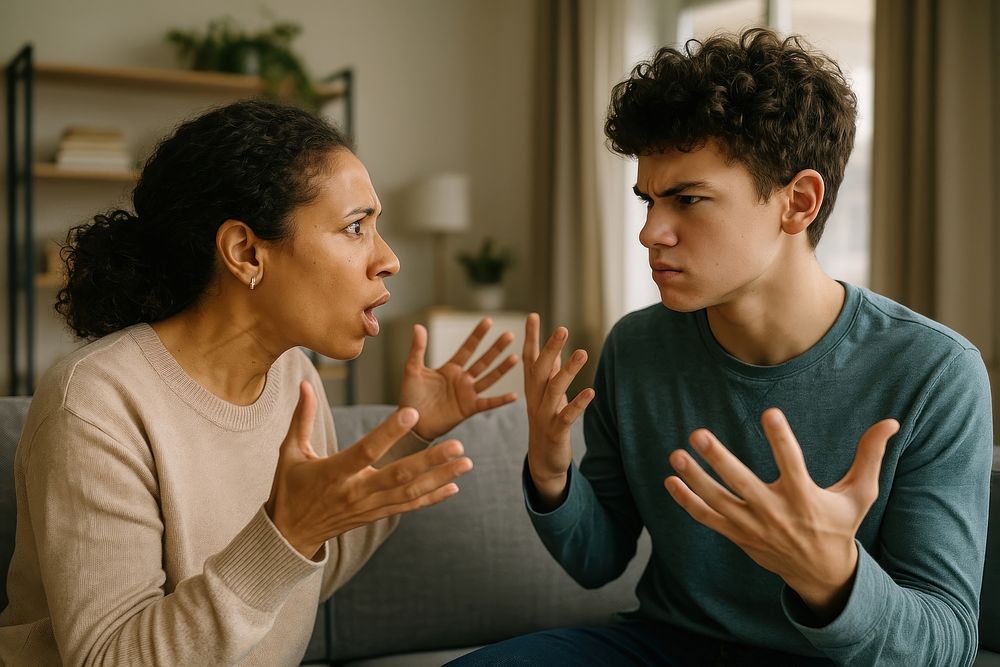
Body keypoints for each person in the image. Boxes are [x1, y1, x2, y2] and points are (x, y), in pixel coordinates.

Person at [451, 28, 993, 666]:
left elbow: (947, 644)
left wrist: (831, 576)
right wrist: (549, 472)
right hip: (669, 644)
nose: (652, 232)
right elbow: (598, 562)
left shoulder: (935, 371)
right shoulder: (639, 345)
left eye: (688, 200)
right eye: (648, 201)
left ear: (798, 202)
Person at [0, 99, 519, 665]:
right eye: (355, 228)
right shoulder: (95, 402)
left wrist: (411, 436)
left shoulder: (293, 374)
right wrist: (285, 533)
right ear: (246, 252)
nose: (389, 259)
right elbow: (111, 658)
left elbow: (298, 572)